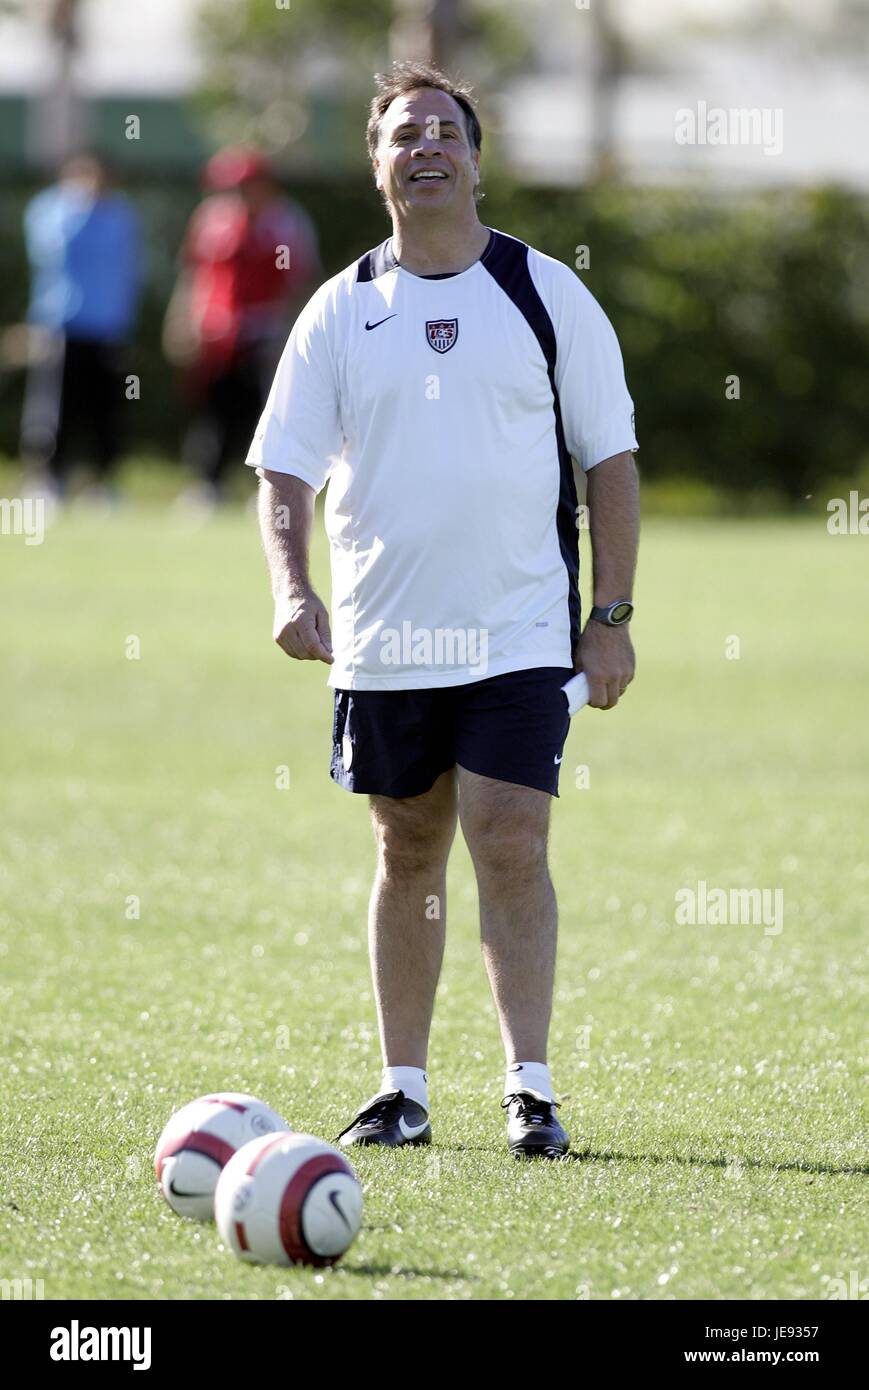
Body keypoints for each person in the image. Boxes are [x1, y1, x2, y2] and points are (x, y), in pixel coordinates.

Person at [248, 63, 640, 1159]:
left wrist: (607, 613)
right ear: (377, 165)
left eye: (443, 133)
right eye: (402, 134)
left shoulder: (544, 290)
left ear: (474, 157)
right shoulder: (339, 308)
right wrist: (290, 587)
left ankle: (529, 1088)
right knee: (405, 844)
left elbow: (607, 457)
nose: (424, 147)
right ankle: (400, 1091)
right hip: (380, 641)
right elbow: (282, 472)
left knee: (510, 837)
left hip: (517, 630)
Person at [164, 147, 320, 504]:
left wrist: (294, 333)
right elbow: (194, 274)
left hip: (265, 332)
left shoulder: (287, 223)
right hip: (216, 333)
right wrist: (182, 319)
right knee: (213, 410)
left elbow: (302, 281)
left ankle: (268, 489)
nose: (235, 197)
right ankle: (208, 484)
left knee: (268, 409)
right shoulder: (210, 220)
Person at [21, 152, 141, 498]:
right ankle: (49, 479)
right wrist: (82, 209)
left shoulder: (120, 215)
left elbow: (128, 271)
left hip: (108, 329)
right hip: (60, 325)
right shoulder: (50, 210)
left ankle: (102, 483)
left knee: (106, 411)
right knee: (53, 408)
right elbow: (51, 251)